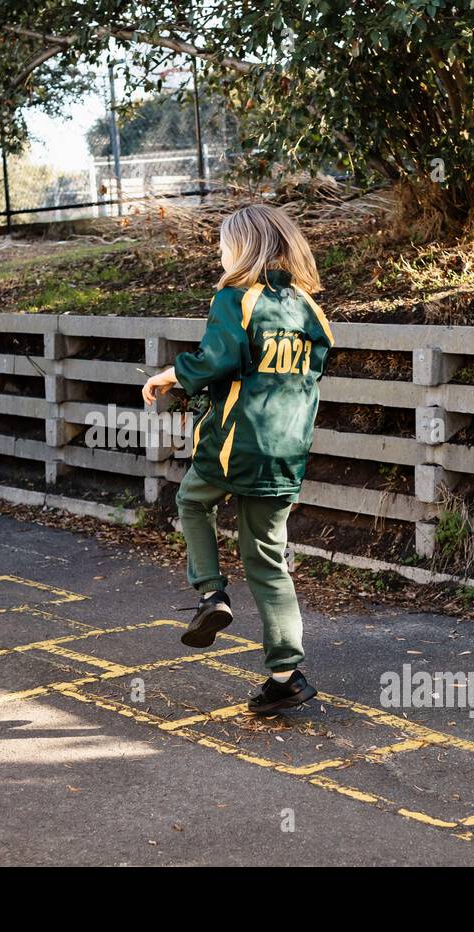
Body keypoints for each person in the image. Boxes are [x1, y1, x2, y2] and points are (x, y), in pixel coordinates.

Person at [142, 204, 333, 715]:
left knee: (191, 500)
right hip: (287, 451)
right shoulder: (308, 310)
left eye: (224, 244)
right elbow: (307, 372)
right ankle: (286, 677)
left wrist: (172, 375)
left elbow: (216, 361)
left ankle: (210, 594)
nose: (219, 252)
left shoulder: (235, 299)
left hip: (235, 445)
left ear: (245, 247)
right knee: (269, 561)